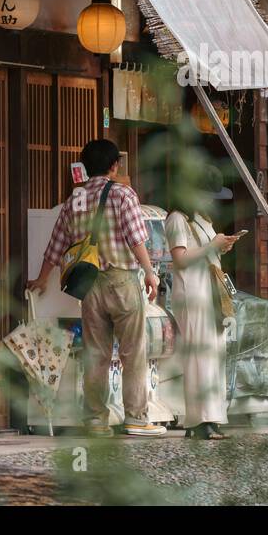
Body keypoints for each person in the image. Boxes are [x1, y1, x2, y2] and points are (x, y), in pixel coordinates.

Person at [29, 139, 165, 437]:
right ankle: (136, 417)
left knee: (96, 354)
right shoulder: (121, 194)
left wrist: (41, 279)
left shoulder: (74, 199)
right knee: (133, 351)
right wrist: (150, 273)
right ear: (114, 165)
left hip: (89, 284)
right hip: (121, 279)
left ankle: (94, 421)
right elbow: (135, 238)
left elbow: (57, 245)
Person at [164, 167, 244, 441]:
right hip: (192, 293)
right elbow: (181, 259)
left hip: (208, 291)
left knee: (213, 354)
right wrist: (212, 246)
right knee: (199, 357)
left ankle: (212, 417)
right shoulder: (177, 219)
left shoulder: (201, 219)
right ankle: (198, 421)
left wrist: (220, 246)